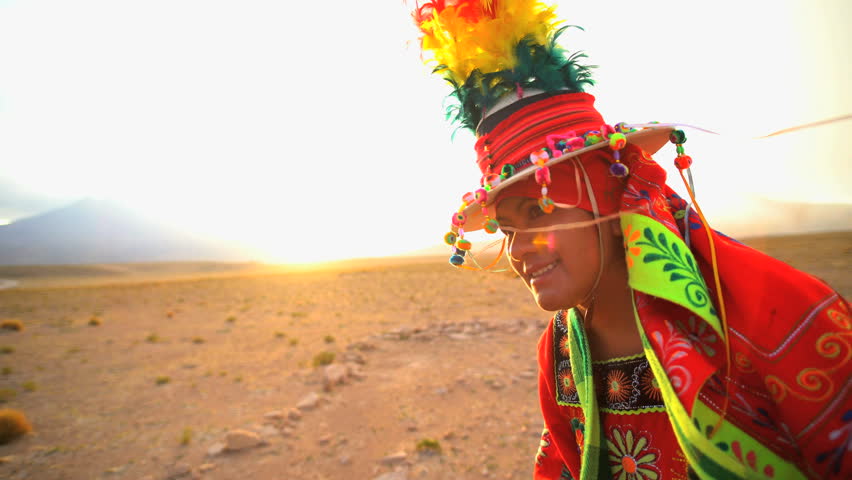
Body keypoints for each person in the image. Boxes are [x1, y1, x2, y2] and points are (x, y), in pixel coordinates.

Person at [409, 1, 851, 479]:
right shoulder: (559, 350)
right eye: (509, 228)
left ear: (613, 202)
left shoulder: (774, 315)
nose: (517, 251)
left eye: (539, 211)